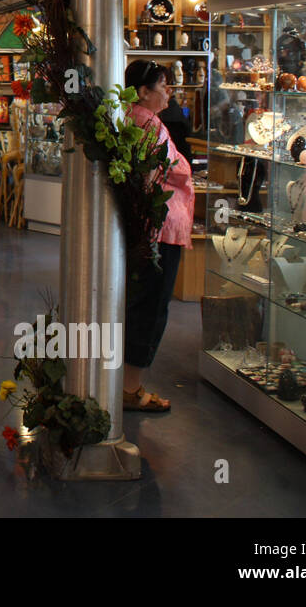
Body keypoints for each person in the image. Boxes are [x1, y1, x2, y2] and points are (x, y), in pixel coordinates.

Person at [123, 59, 194, 412]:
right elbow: (150, 179)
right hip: (159, 231)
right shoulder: (146, 125)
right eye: (162, 86)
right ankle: (130, 388)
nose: (168, 91)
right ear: (143, 93)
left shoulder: (148, 122)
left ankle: (127, 384)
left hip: (161, 228)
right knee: (150, 307)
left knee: (146, 305)